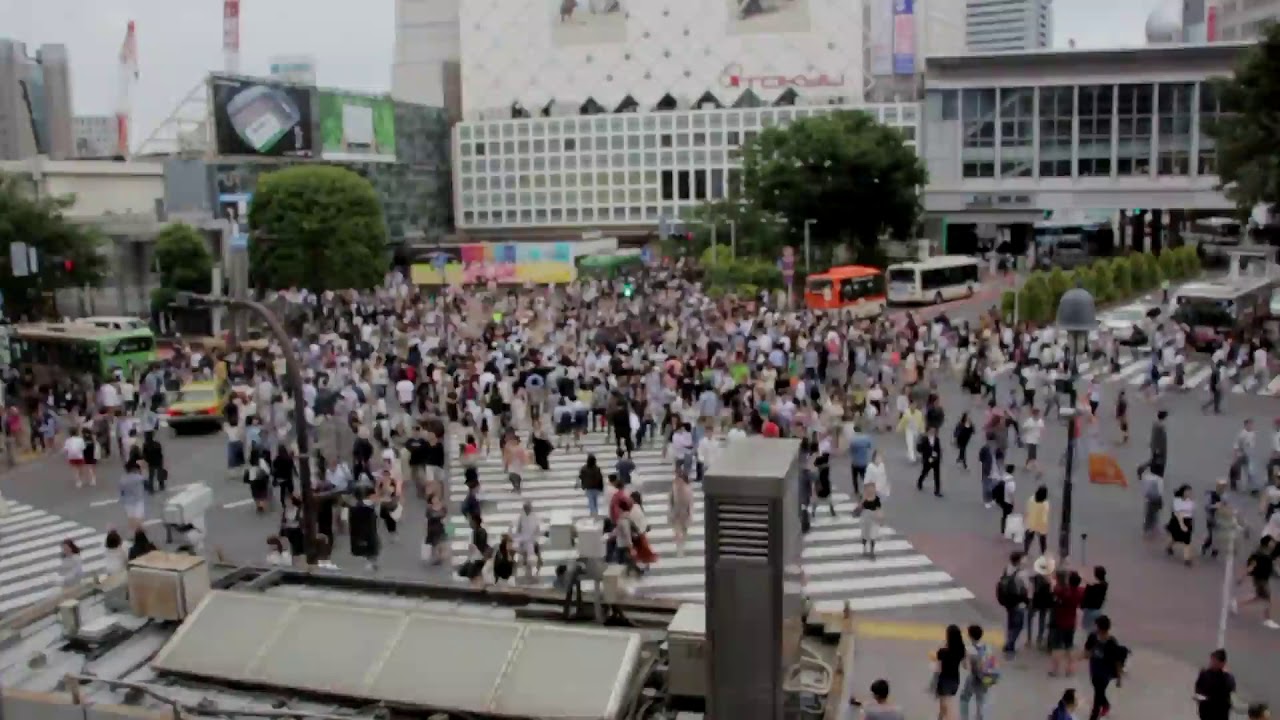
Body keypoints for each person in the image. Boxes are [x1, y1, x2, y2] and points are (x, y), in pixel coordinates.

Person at [1083, 615, 1126, 720]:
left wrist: (1119, 678)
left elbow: (1117, 661)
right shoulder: (1092, 637)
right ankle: (1105, 704)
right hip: (1094, 669)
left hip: (1105, 672)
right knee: (1098, 690)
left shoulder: (1112, 643)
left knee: (1098, 693)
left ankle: (1094, 716)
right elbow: (1087, 651)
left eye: (1097, 626)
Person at [958, 624, 997, 720]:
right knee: (980, 699)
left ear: (970, 636)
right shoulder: (987, 647)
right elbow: (991, 662)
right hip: (985, 677)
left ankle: (964, 717)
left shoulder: (968, 649)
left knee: (964, 698)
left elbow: (966, 666)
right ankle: (979, 717)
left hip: (973, 677)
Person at [932, 624, 965, 719]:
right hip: (955, 680)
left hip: (944, 680)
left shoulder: (943, 651)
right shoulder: (961, 650)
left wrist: (942, 645)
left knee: (946, 706)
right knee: (944, 705)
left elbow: (936, 658)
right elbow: (965, 665)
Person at [1194, 648, 1236, 720]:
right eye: (1212, 660)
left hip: (1220, 714)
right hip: (1205, 713)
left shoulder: (1227, 678)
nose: (1212, 663)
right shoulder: (1204, 674)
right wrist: (1199, 697)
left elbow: (1230, 696)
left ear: (1222, 664)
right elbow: (1198, 688)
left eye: (1215, 661)